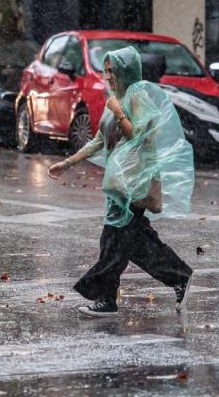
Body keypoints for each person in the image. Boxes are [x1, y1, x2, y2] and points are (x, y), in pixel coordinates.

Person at [48, 46, 195, 318]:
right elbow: (99, 141)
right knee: (137, 244)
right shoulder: (115, 99)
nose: (108, 77)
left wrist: (119, 111)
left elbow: (137, 134)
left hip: (133, 184)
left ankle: (105, 299)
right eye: (105, 71)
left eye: (112, 71)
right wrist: (67, 163)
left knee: (112, 242)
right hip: (119, 183)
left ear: (127, 71)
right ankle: (180, 277)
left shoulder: (137, 98)